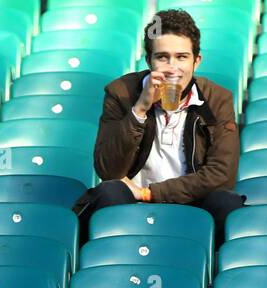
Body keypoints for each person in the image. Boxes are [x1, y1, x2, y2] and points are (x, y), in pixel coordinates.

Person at [73, 9, 244, 244]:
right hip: (132, 201)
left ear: (197, 61)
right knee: (109, 192)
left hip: (189, 201)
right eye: (162, 57)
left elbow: (222, 175)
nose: (172, 68)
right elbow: (108, 170)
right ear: (148, 60)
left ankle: (209, 273)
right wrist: (140, 108)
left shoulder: (217, 99)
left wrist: (151, 193)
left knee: (227, 203)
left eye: (182, 57)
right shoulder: (120, 93)